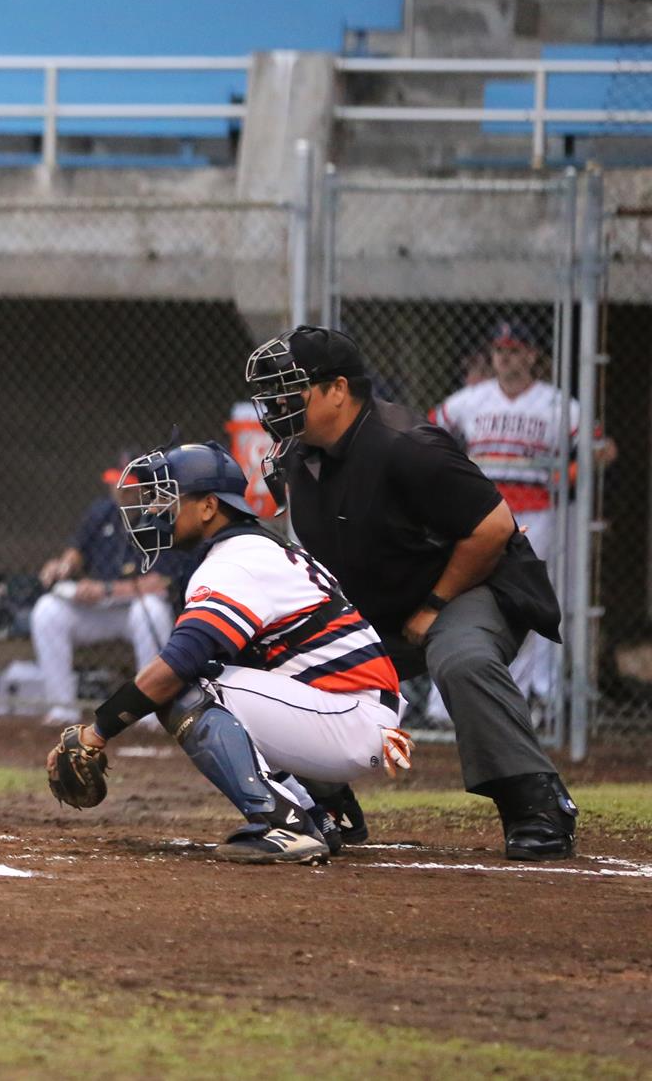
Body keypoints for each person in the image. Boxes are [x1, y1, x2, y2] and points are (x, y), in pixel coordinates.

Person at [246, 325, 578, 860]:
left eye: (290, 390)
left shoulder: (407, 446)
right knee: (269, 660)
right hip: (379, 601)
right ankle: (324, 803)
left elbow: (493, 529)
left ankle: (536, 805)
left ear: (337, 390)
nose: (276, 406)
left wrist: (433, 606)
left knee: (463, 659)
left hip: (468, 584)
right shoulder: (295, 454)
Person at [47, 441, 411, 864]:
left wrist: (98, 731)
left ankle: (285, 824)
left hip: (349, 718)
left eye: (168, 500)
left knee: (185, 689)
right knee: (220, 671)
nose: (155, 512)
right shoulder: (258, 548)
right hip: (348, 713)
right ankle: (322, 812)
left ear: (208, 507)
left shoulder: (235, 562)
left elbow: (178, 666)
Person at [430, 318, 614, 709]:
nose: (505, 358)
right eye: (500, 351)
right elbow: (430, 429)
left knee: (532, 599)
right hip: (482, 511)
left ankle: (532, 693)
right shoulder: (472, 399)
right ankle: (446, 703)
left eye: (514, 351)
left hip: (538, 511)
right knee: (465, 592)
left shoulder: (555, 402)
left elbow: (602, 448)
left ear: (531, 356)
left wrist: (570, 473)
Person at [29, 459, 188, 724]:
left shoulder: (164, 519)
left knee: (150, 610)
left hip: (137, 611)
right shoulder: (102, 512)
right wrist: (63, 566)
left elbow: (160, 583)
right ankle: (61, 708)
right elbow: (77, 550)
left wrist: (105, 589)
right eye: (116, 483)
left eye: (128, 486)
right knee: (47, 610)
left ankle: (151, 712)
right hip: (100, 611)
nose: (120, 490)